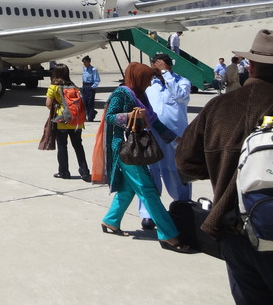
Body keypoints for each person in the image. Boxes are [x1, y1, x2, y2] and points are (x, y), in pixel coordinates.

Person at [176, 29, 273, 304]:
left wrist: (224, 169)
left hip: (233, 228)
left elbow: (185, 162)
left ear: (250, 65)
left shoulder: (219, 106)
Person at [99, 62, 190, 252]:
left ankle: (110, 221)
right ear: (138, 78)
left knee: (128, 189)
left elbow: (154, 119)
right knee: (148, 190)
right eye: (147, 79)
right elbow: (110, 116)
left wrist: (174, 138)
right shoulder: (121, 93)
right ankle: (169, 235)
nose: (149, 83)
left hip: (135, 147)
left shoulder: (141, 94)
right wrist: (130, 116)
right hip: (126, 148)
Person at [138, 53, 191, 230]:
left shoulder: (181, 82)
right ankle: (148, 213)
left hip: (175, 136)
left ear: (169, 65)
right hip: (152, 134)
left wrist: (166, 75)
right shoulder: (148, 85)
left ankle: (182, 206)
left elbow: (180, 97)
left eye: (162, 65)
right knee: (150, 172)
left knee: (176, 170)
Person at [45, 64, 91, 181]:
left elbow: (48, 104)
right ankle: (85, 172)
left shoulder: (54, 87)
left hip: (62, 120)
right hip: (76, 121)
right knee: (78, 146)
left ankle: (64, 172)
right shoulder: (74, 87)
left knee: (62, 146)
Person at [81, 55, 100, 121]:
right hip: (84, 86)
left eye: (85, 62)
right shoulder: (84, 69)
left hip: (90, 86)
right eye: (84, 62)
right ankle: (90, 113)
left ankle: (90, 117)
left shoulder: (93, 70)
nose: (84, 64)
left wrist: (93, 87)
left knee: (90, 103)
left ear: (89, 62)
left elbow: (97, 80)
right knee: (84, 102)